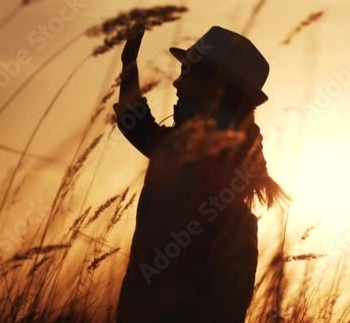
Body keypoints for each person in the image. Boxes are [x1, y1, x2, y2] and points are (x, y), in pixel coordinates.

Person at [113, 25, 287, 323]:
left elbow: (137, 126)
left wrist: (129, 67)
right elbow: (138, 125)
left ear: (217, 89)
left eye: (189, 73)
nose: (178, 84)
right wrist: (128, 66)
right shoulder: (210, 151)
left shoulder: (199, 156)